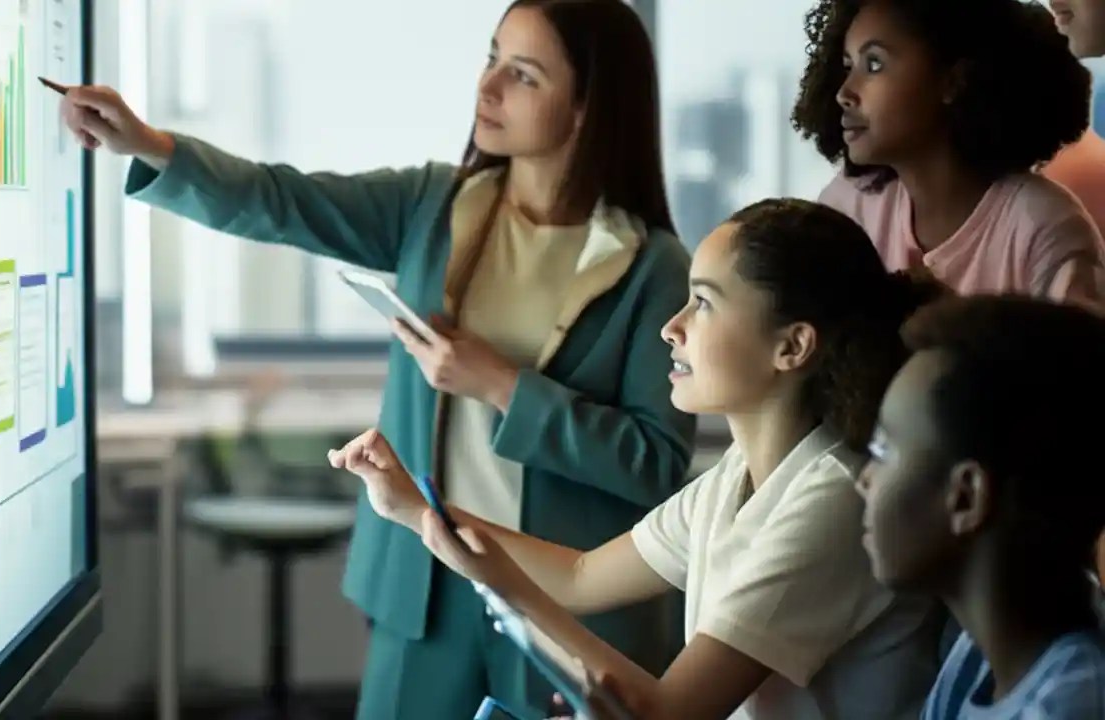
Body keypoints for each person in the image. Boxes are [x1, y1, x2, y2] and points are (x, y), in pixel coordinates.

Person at [59, 1, 693, 717]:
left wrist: (500, 385)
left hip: (567, 611)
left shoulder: (656, 270)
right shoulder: (432, 204)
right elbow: (280, 200)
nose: (487, 87)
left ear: (587, 107)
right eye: (492, 58)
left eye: (523, 75)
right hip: (425, 586)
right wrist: (148, 144)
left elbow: (655, 464)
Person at [332, 198, 948, 719]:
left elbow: (668, 714)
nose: (672, 328)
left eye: (703, 303)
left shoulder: (833, 498)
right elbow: (579, 577)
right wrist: (412, 509)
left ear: (792, 346)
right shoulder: (735, 479)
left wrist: (507, 588)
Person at [857, 295, 1105, 718]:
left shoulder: (1069, 706)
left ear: (966, 497)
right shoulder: (975, 658)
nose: (863, 479)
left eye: (883, 449)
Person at [792, 0, 1105, 309]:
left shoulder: (1043, 229)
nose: (844, 93)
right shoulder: (849, 205)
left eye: (874, 64)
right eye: (848, 67)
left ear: (953, 81)